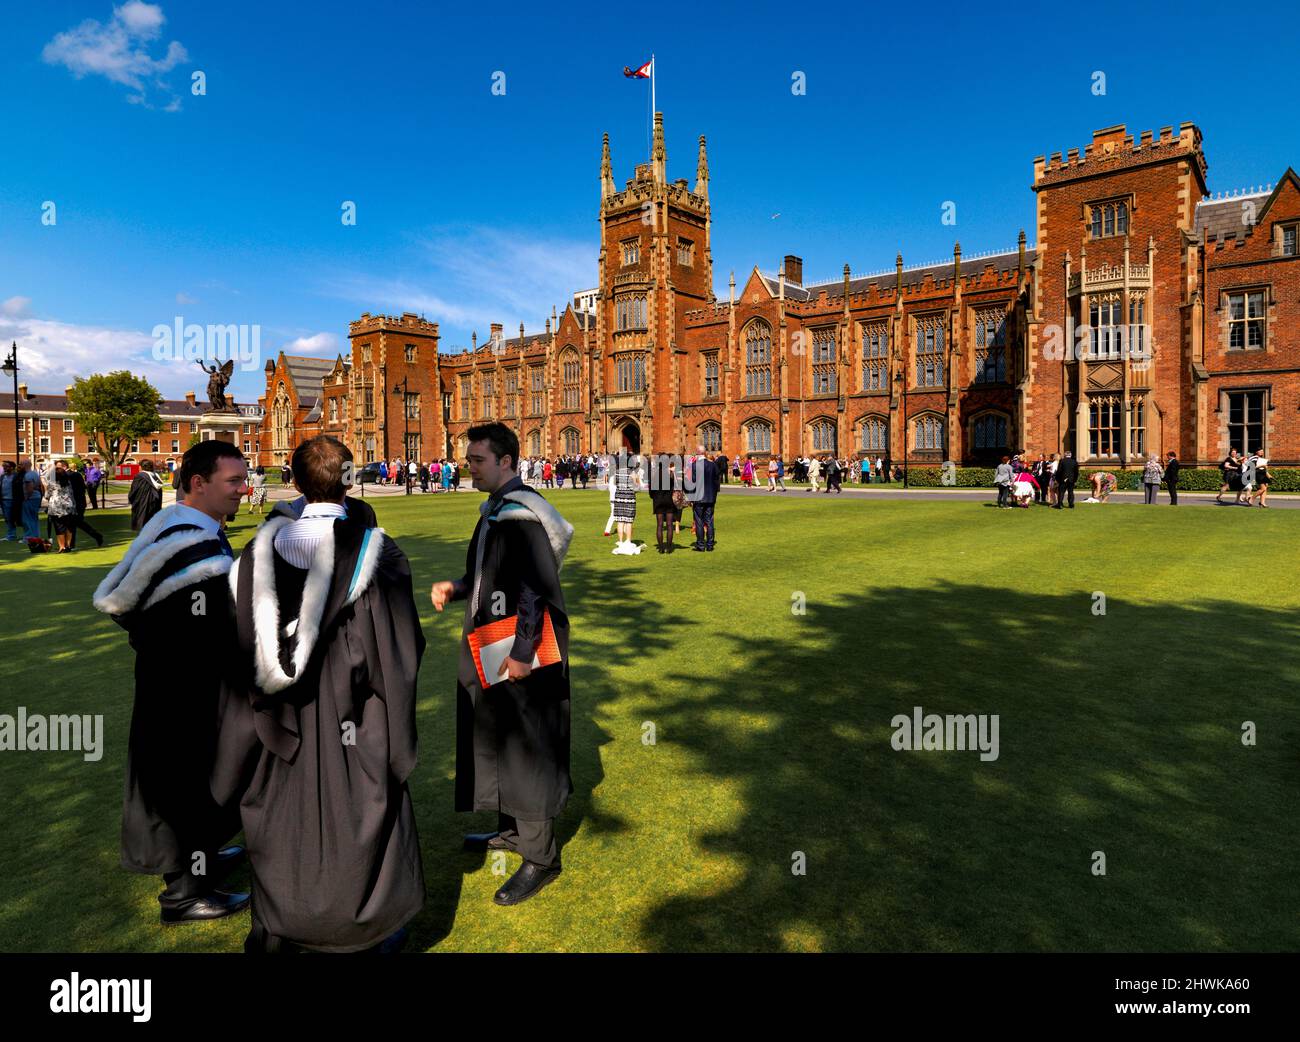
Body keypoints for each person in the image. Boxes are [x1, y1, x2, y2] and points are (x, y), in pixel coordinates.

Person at [214, 435, 425, 953]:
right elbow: (398, 651)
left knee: (283, 819)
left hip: (277, 723)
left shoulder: (255, 553)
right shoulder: (376, 553)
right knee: (358, 811)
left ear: (293, 482)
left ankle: (283, 923)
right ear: (350, 480)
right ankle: (363, 929)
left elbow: (236, 644)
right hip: (352, 718)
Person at [92, 440, 251, 924]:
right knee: (186, 778)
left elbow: (134, 608)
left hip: (173, 680)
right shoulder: (190, 544)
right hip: (186, 690)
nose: (244, 490)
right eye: (233, 482)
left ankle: (200, 862)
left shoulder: (174, 527)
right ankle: (184, 893)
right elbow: (207, 628)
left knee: (189, 774)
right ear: (198, 484)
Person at [429, 423, 574, 906]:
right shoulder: (495, 510)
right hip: (493, 637)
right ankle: (511, 832)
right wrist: (457, 586)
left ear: (507, 461)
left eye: (477, 460)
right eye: (468, 459)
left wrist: (523, 653)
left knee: (528, 745)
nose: (468, 467)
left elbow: (536, 587)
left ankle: (541, 857)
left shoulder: (523, 516)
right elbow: (487, 575)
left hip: (520, 645)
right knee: (499, 735)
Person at [59, 460, 103, 549]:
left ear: (63, 466)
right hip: (78, 502)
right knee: (75, 523)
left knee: (75, 523)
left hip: (76, 503)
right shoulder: (76, 474)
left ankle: (96, 536)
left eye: (58, 467)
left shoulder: (69, 476)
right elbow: (83, 488)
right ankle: (71, 544)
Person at [609, 442, 641, 555]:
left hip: (619, 497)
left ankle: (621, 541)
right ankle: (628, 540)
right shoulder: (632, 473)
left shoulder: (617, 472)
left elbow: (614, 483)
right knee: (629, 521)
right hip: (629, 498)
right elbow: (637, 488)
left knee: (620, 521)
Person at [691, 445, 720, 552]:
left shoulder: (694, 466)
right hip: (710, 497)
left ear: (698, 453)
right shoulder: (712, 465)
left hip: (698, 498)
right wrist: (714, 494)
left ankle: (700, 545)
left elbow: (691, 482)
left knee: (699, 521)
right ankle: (710, 544)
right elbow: (717, 481)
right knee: (709, 521)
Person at [128, 460, 163, 530]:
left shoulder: (140, 476)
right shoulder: (155, 475)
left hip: (142, 502)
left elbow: (134, 490)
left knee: (143, 520)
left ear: (142, 467)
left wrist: (131, 498)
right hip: (155, 502)